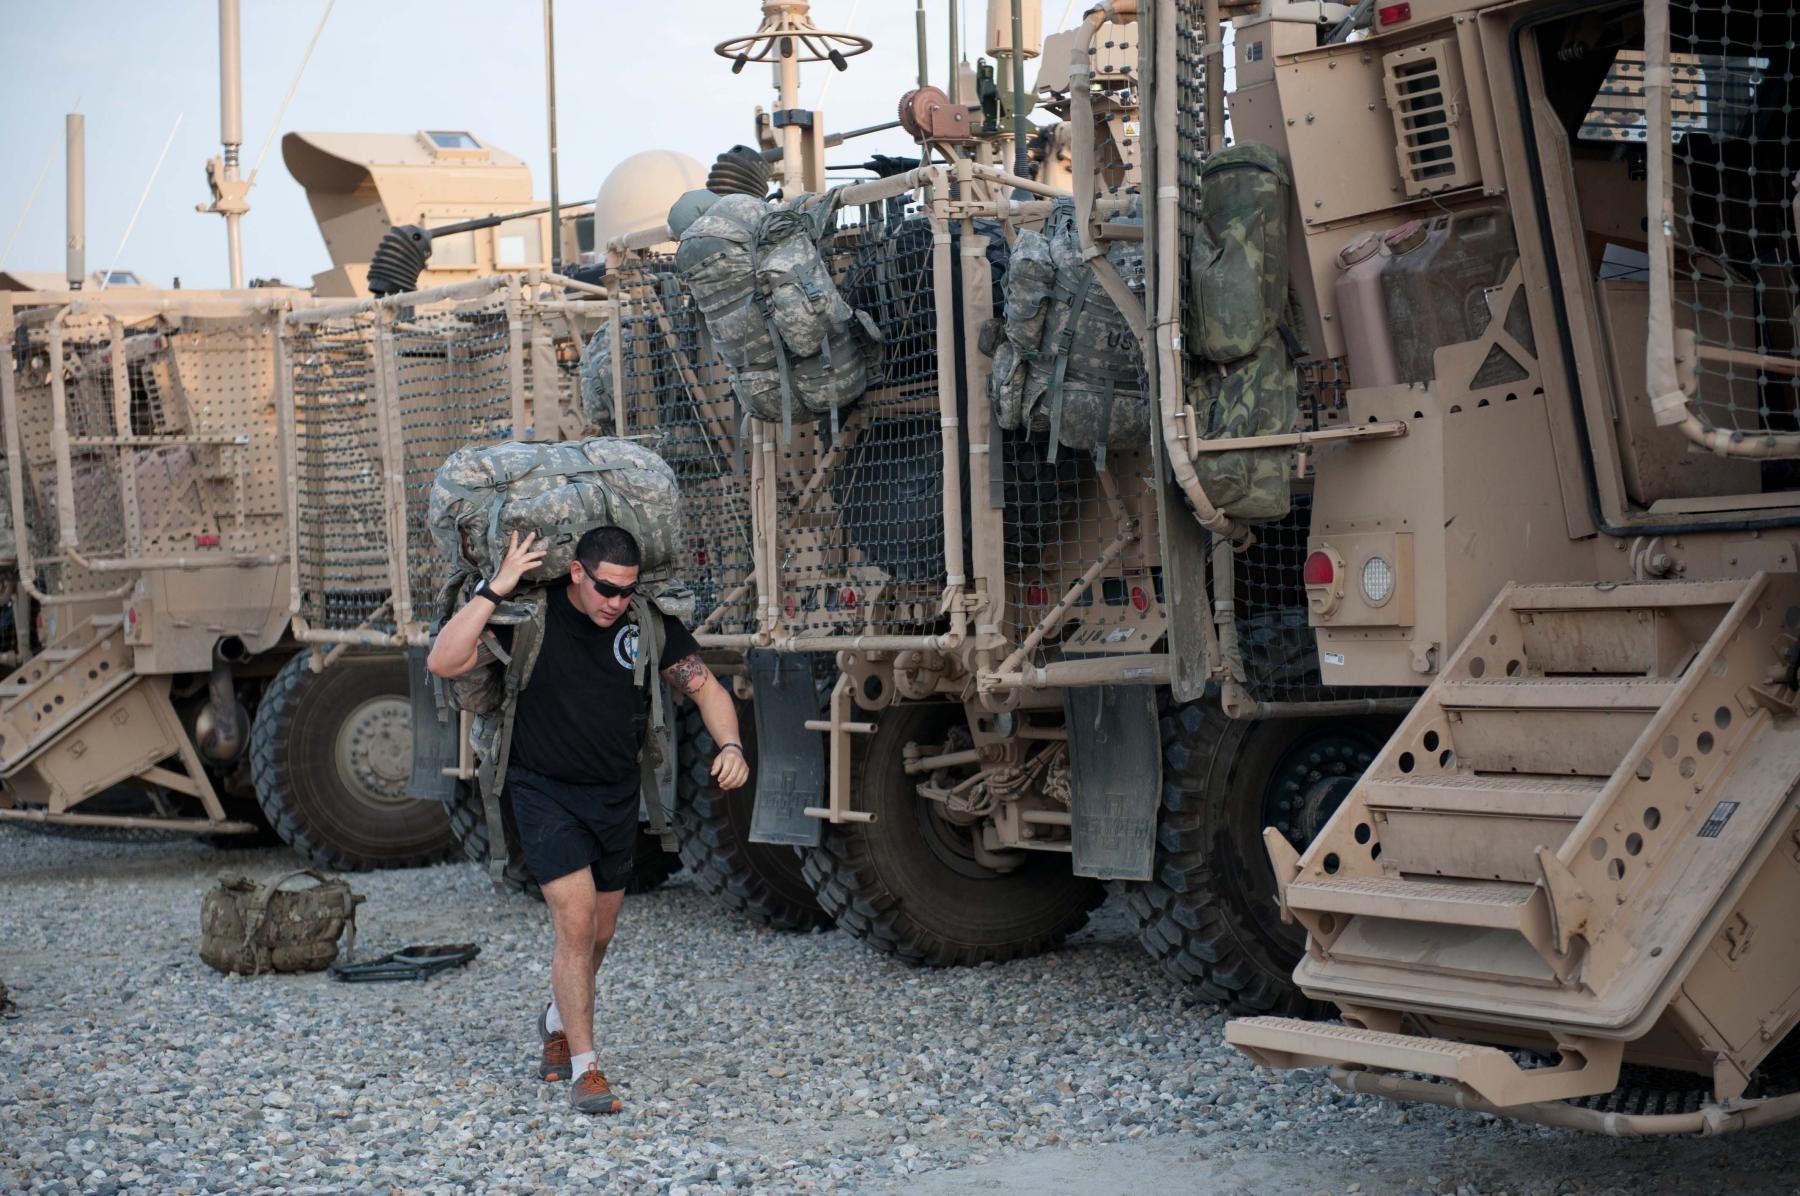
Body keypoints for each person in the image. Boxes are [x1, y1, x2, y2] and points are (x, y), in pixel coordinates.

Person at [427, 525, 749, 1114]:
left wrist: (730, 746)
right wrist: (497, 586)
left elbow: (706, 690)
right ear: (577, 572)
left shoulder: (645, 624)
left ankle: (555, 1019)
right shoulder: (529, 617)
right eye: (605, 588)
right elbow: (444, 660)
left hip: (616, 796)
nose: (615, 602)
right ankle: (586, 1069)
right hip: (542, 790)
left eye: (626, 591)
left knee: (601, 934)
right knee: (575, 929)